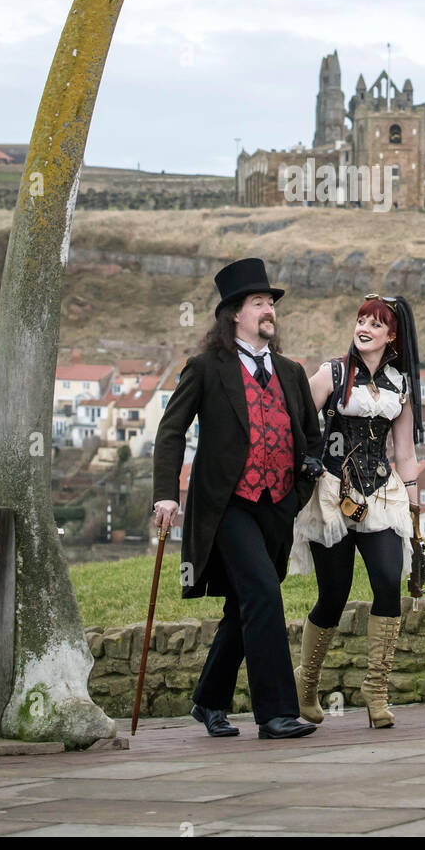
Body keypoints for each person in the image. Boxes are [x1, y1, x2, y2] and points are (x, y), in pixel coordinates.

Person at [152, 258, 323, 740]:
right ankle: (276, 713)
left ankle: (208, 701)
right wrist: (165, 495)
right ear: (234, 314)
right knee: (265, 595)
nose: (269, 310)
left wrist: (297, 490)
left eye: (270, 302)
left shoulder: (291, 372)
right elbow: (170, 432)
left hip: (277, 505)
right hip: (226, 506)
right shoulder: (206, 369)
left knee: (244, 605)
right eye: (258, 303)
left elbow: (312, 436)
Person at [289, 294, 423, 729]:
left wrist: (414, 495)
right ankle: (306, 685)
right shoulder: (331, 373)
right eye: (361, 319)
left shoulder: (399, 385)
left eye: (376, 322)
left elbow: (404, 449)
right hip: (332, 493)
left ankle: (376, 690)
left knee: (388, 582)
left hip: (381, 493)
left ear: (391, 335)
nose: (364, 326)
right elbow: (299, 423)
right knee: (334, 594)